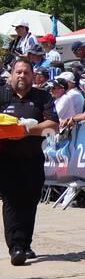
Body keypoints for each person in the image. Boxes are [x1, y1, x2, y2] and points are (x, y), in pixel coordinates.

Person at [0, 57, 58, 265]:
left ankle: (25, 243)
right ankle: (15, 246)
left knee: (30, 201)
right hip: (6, 159)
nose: (22, 76)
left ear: (33, 76)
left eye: (26, 72)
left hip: (33, 158)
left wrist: (28, 129)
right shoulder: (3, 95)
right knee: (12, 202)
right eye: (18, 72)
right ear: (11, 75)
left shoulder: (42, 97)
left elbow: (53, 124)